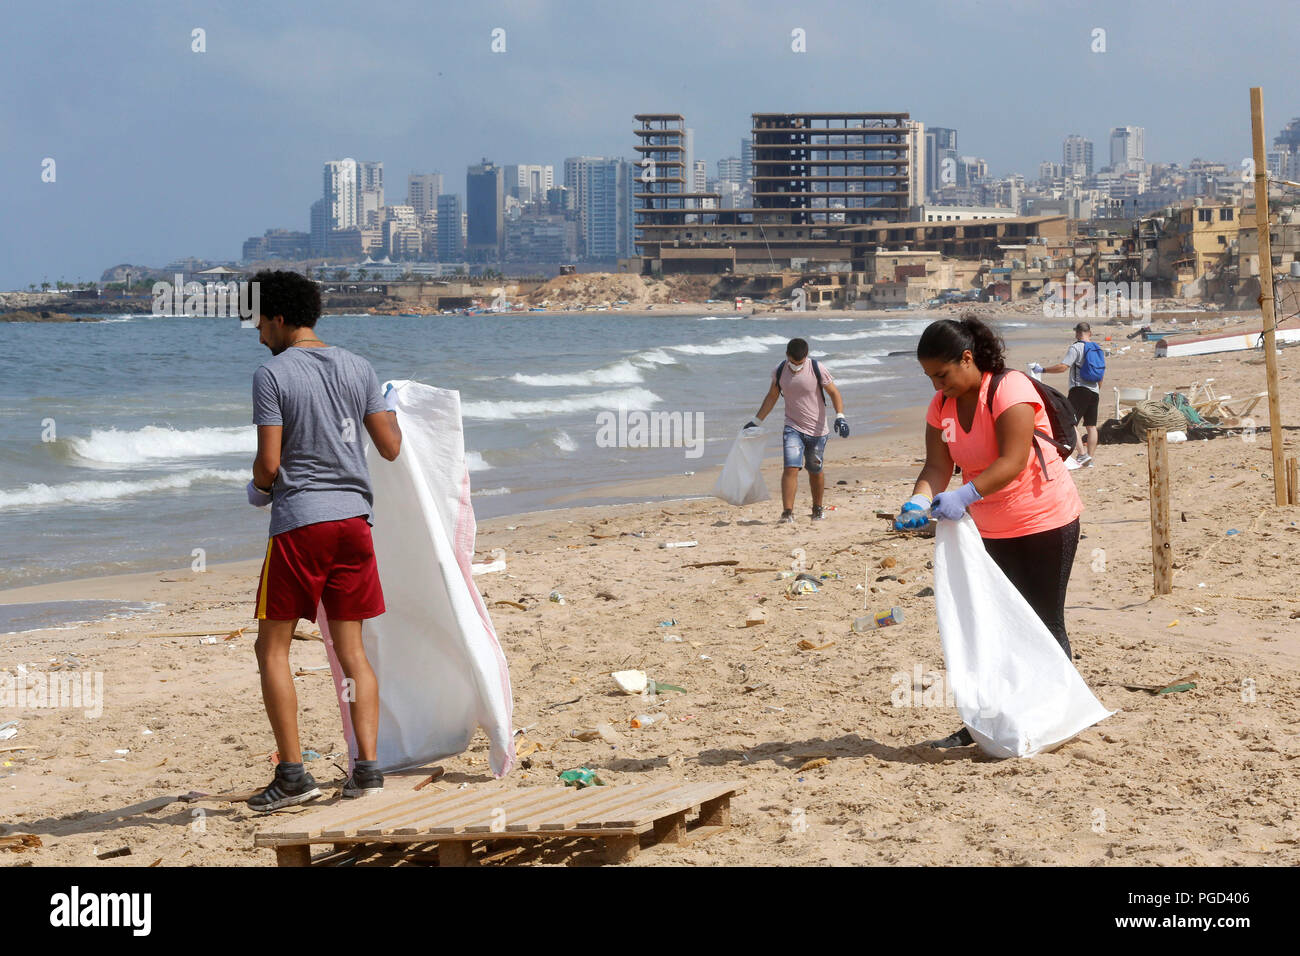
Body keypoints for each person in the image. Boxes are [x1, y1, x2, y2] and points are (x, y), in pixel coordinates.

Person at [245, 270, 403, 811]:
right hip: (355, 525)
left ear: (280, 318)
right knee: (353, 650)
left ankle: (292, 775)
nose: (257, 332)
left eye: (259, 321)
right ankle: (367, 770)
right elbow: (390, 447)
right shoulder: (359, 367)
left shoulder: (273, 375)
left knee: (272, 648)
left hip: (301, 526)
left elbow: (270, 462)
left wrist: (259, 487)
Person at [895, 314, 1083, 748]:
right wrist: (918, 500)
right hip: (992, 526)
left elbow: (1013, 460)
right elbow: (938, 465)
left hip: (1044, 519)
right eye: (929, 378)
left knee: (1042, 620)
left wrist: (964, 495)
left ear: (966, 358)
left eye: (941, 375)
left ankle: (1055, 718)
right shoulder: (941, 406)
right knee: (995, 625)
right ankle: (985, 722)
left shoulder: (1009, 388)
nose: (936, 386)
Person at [746, 338, 849, 522]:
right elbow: (772, 396)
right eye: (793, 363)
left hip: (817, 430)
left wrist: (840, 416)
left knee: (815, 470)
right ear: (787, 356)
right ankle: (787, 512)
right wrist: (756, 421)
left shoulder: (817, 368)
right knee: (790, 468)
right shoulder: (779, 371)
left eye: (799, 363)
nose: (796, 366)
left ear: (806, 357)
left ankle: (817, 508)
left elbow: (834, 392)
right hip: (792, 427)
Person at [1035, 321, 1101, 466]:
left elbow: (1063, 367)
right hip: (1095, 390)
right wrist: (1097, 390)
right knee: (1091, 426)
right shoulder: (1097, 349)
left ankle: (1083, 455)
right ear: (1090, 333)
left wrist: (1043, 370)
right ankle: (1089, 458)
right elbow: (1101, 373)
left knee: (1071, 422)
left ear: (1077, 333)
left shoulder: (1076, 347)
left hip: (1079, 389)